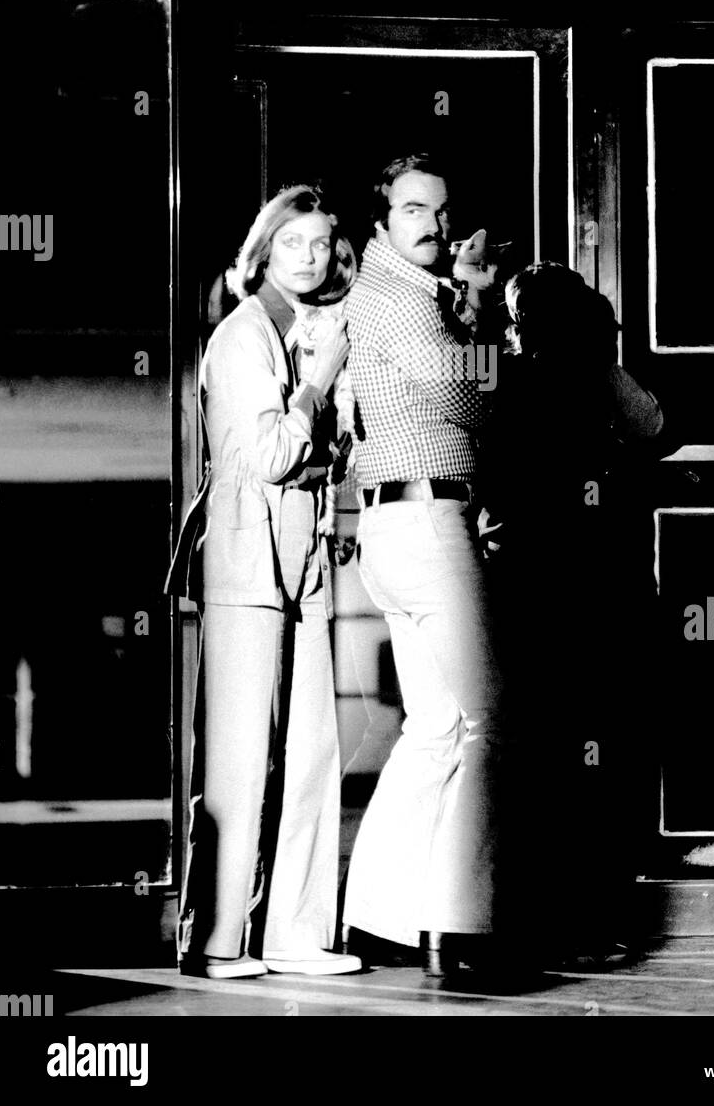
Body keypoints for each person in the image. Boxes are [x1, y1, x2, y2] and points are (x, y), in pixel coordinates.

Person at [170, 185, 362, 979]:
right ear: (265, 251)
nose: (310, 258)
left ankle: (297, 934)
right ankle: (217, 941)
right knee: (241, 756)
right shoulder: (242, 338)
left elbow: (336, 456)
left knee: (314, 747)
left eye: (321, 245)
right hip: (248, 562)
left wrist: (320, 405)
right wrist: (319, 385)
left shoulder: (320, 333)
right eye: (294, 244)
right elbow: (276, 456)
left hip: (306, 559)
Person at [340, 153, 511, 975]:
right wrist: (485, 324)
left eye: (441, 212)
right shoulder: (401, 301)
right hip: (429, 518)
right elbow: (465, 397)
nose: (435, 227)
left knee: (436, 728)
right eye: (414, 211)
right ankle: (459, 928)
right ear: (383, 223)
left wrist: (469, 305)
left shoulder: (410, 295)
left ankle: (376, 917)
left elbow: (461, 383)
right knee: (489, 727)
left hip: (398, 525)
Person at [479, 261, 667, 964]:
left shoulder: (503, 381)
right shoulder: (599, 377)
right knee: (598, 761)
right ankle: (591, 920)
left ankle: (537, 920)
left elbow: (489, 488)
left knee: (538, 761)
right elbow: (654, 426)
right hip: (602, 589)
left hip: (535, 591)